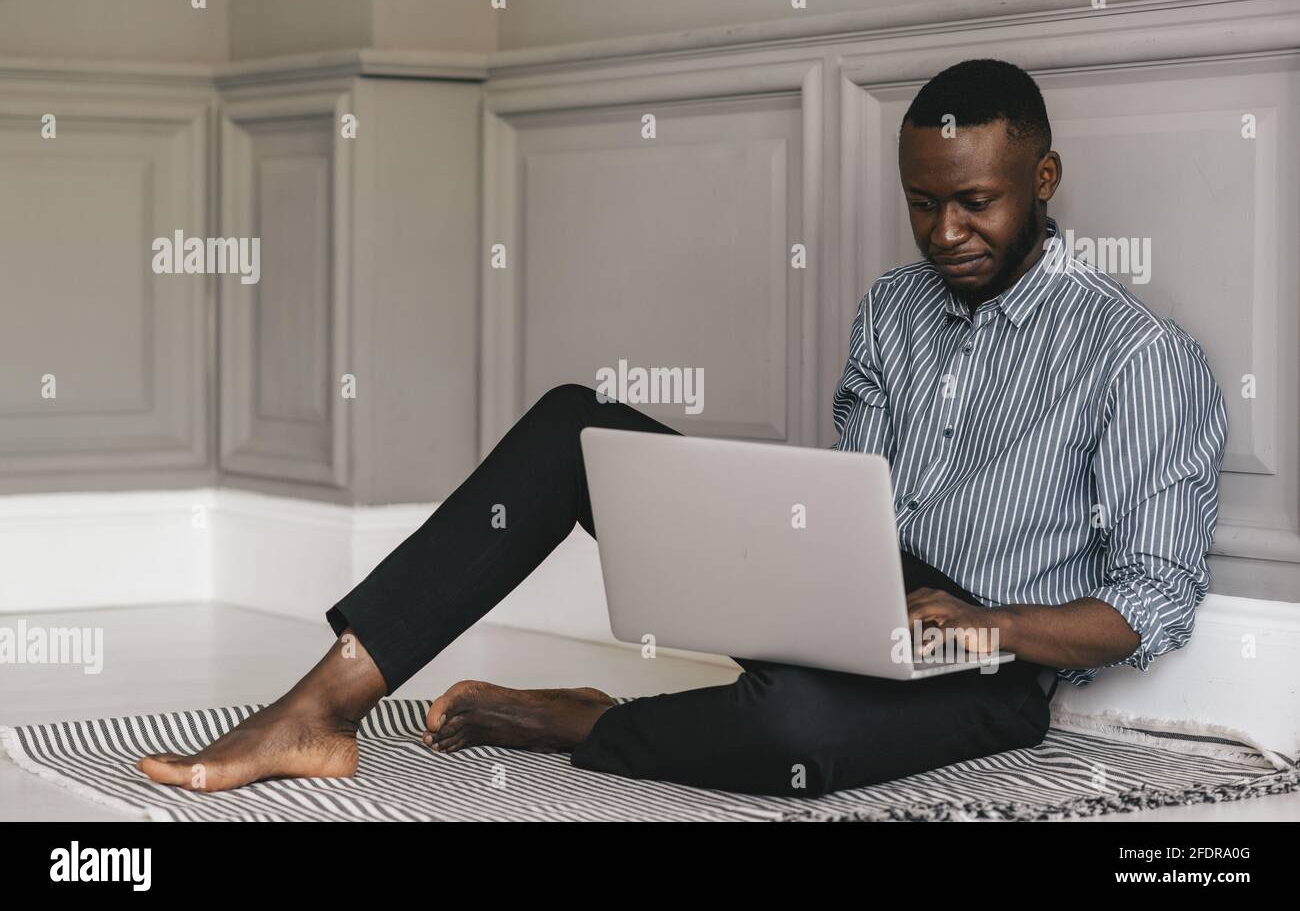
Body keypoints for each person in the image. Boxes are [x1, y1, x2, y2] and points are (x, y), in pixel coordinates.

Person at [137, 58, 1227, 798]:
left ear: (1042, 180)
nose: (944, 232)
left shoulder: (1138, 357)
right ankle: (321, 707)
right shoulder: (896, 309)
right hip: (857, 603)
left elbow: (1153, 603)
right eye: (921, 203)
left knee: (794, 729)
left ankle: (585, 722)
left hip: (991, 664)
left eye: (976, 203)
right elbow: (852, 499)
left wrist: (983, 628)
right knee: (576, 426)